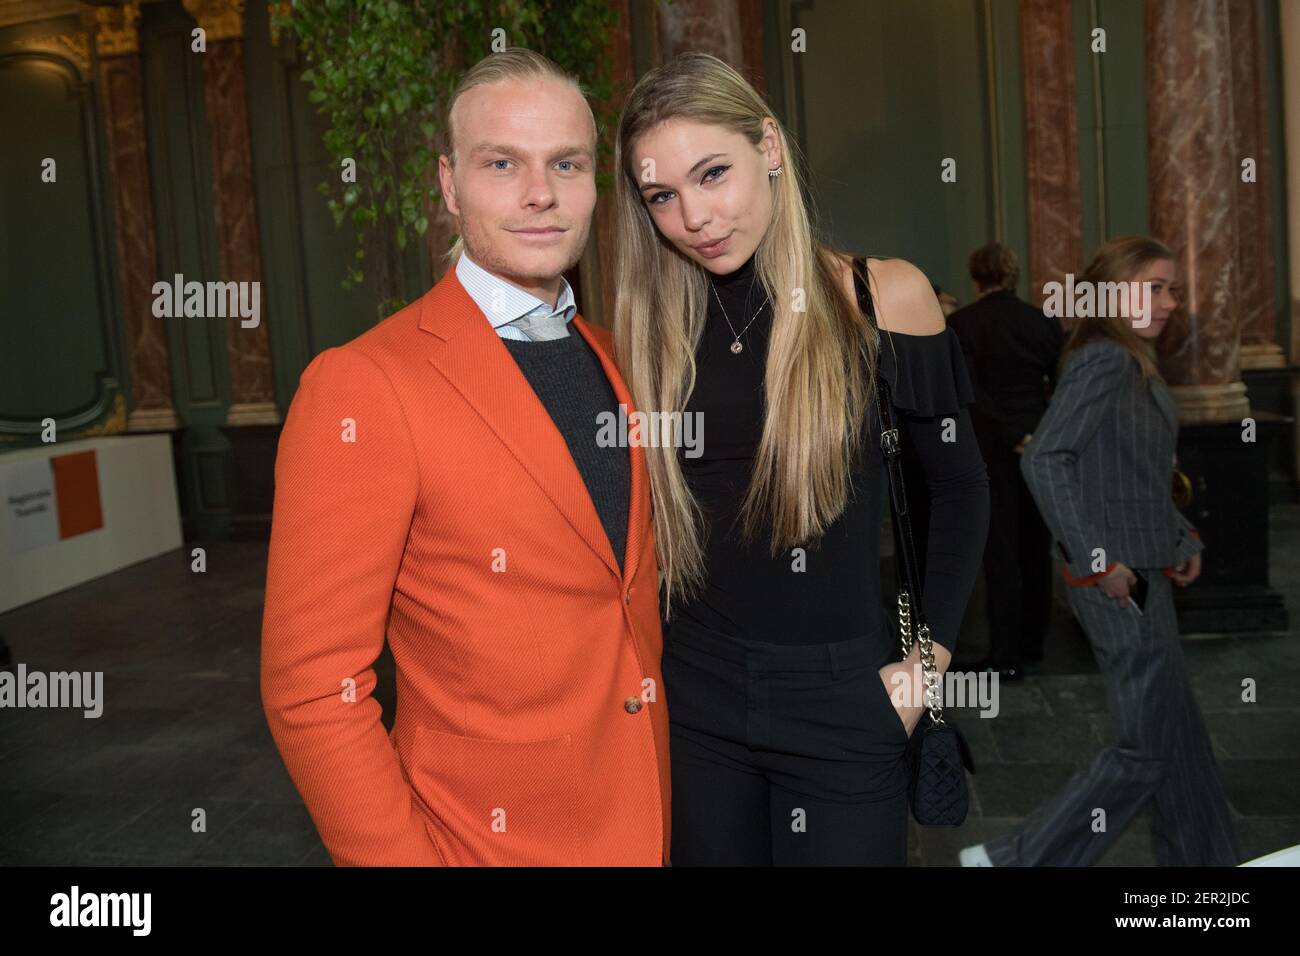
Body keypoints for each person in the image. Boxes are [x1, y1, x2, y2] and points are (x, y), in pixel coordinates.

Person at [261, 49, 671, 866]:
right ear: (449, 186)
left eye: (566, 163)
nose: (540, 194)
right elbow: (312, 688)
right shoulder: (364, 385)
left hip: (649, 824)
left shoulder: (616, 358)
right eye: (501, 164)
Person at [612, 52, 989, 866]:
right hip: (695, 692)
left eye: (714, 174)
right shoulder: (646, 338)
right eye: (663, 197)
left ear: (770, 147)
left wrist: (932, 663)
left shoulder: (880, 297)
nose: (696, 217)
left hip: (844, 696)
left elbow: (959, 487)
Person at [962, 235, 1239, 866]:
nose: (1173, 300)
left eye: (1173, 288)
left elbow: (1128, 471)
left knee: (1179, 736)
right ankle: (1012, 861)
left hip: (1144, 567)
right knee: (1145, 748)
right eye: (1158, 288)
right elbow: (1048, 460)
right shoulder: (1106, 361)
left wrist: (1180, 535)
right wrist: (1097, 562)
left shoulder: (1129, 358)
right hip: (1118, 579)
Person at [948, 241, 1063, 680]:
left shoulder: (960, 325)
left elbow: (971, 396)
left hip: (992, 450)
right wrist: (1036, 435)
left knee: (999, 553)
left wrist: (1015, 435)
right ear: (1013, 275)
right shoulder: (1043, 323)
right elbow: (1061, 388)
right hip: (1041, 449)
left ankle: (1006, 654)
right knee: (1036, 548)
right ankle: (1034, 645)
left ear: (976, 277)